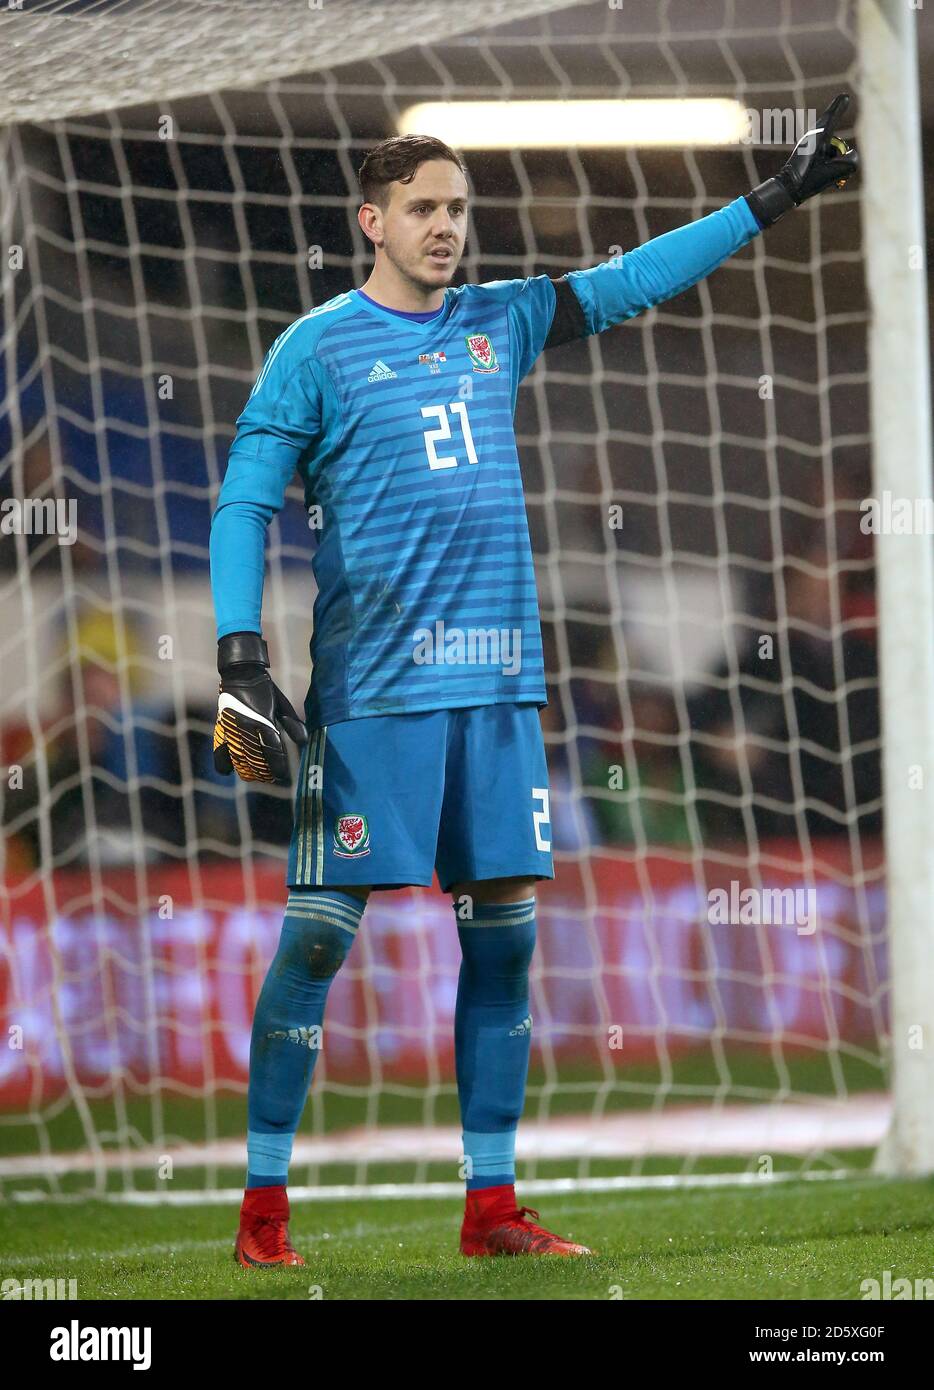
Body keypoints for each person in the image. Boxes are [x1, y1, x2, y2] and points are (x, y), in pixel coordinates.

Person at [209, 103, 858, 1266]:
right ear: (373, 220)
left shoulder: (497, 322)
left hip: (500, 693)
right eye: (424, 208)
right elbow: (245, 499)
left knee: (505, 947)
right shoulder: (316, 346)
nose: (447, 226)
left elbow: (634, 279)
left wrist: (770, 200)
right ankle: (263, 1215)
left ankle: (490, 1205)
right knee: (315, 939)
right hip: (375, 696)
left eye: (458, 206)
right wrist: (240, 652)